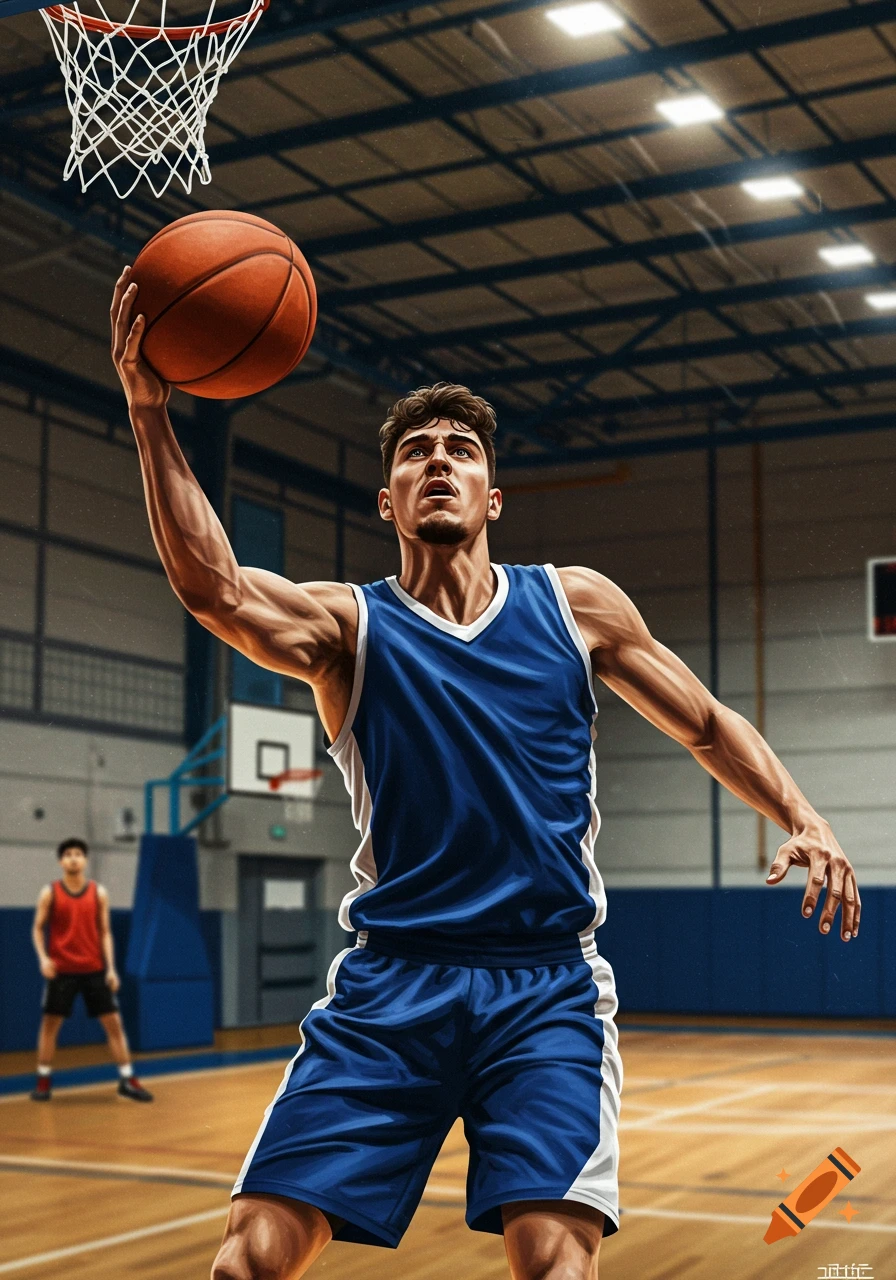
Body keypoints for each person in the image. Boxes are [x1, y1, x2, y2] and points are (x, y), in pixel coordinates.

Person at [111, 267, 860, 1280]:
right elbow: (216, 588)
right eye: (416, 452)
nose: (437, 462)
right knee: (248, 1258)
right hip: (389, 983)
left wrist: (800, 811)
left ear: (491, 493)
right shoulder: (349, 625)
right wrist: (150, 411)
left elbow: (704, 720)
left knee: (554, 1259)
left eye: (459, 451)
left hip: (542, 982)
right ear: (386, 498)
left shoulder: (574, 604)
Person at [31, 837, 153, 1103]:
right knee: (50, 1026)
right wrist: (43, 959)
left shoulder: (98, 892)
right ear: (61, 861)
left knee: (114, 1025)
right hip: (61, 970)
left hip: (93, 969)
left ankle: (127, 1078)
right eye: (68, 854)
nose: (73, 858)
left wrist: (111, 969)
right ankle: (43, 1079)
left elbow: (106, 932)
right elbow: (37, 928)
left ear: (85, 860)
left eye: (78, 853)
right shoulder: (50, 892)